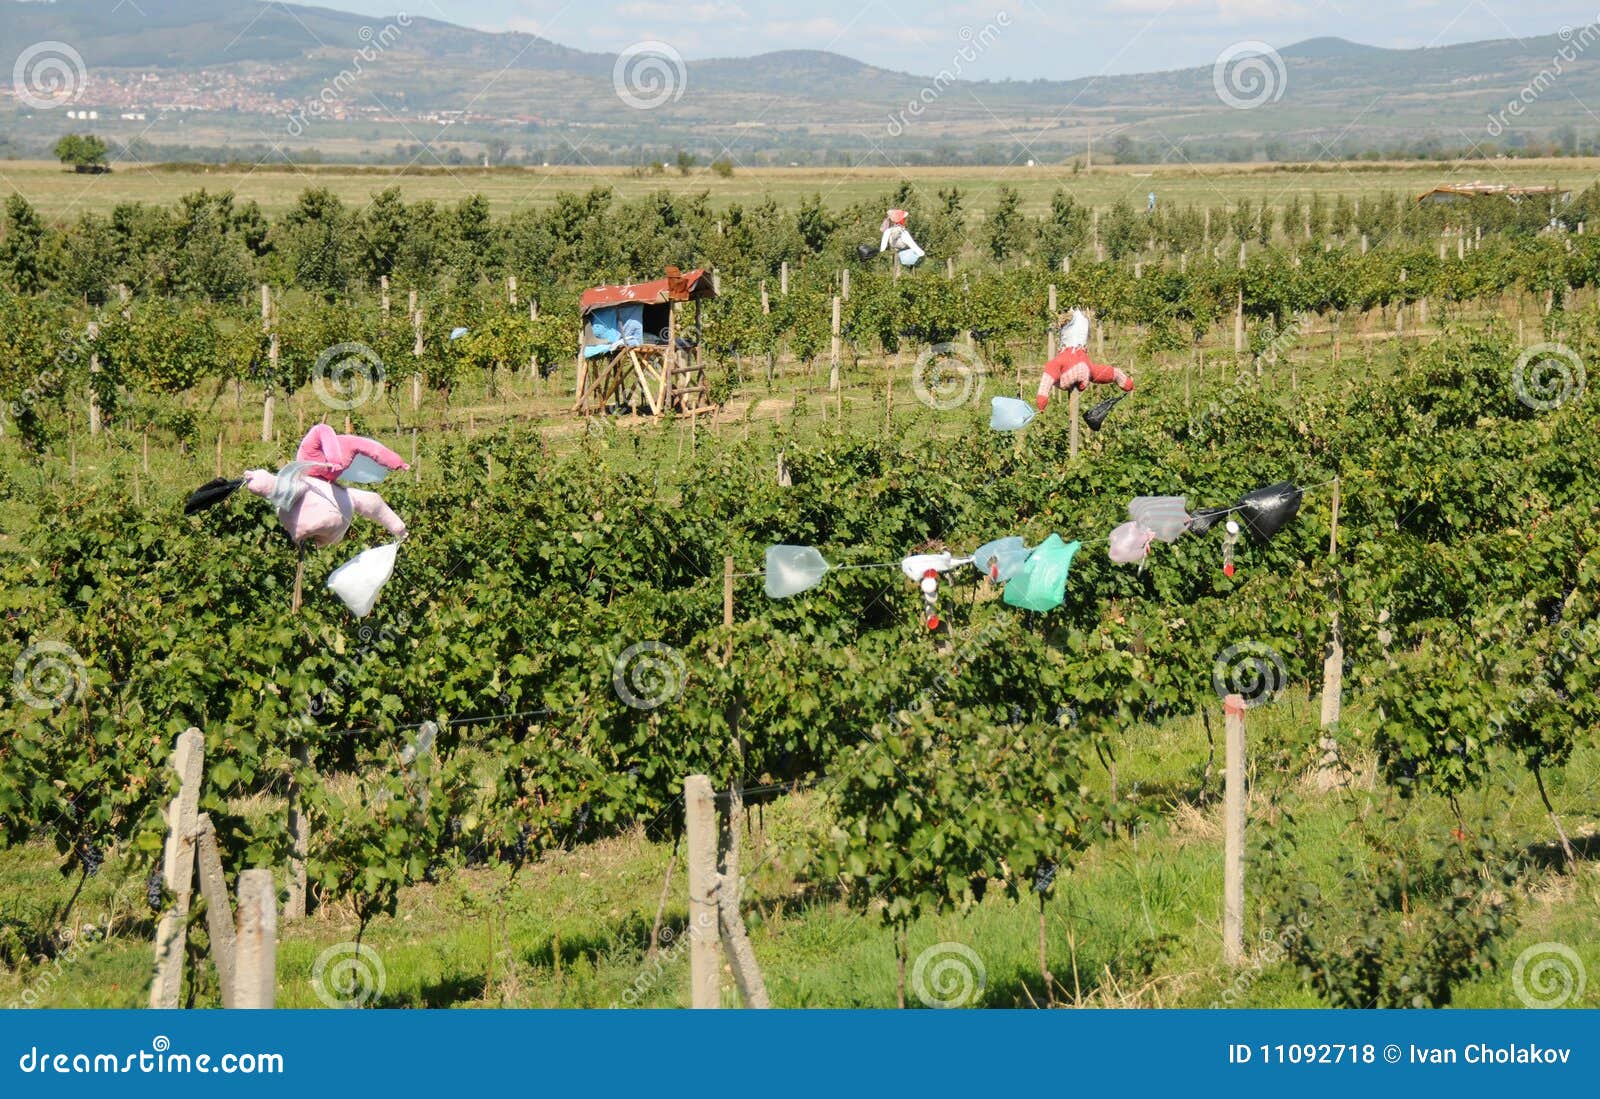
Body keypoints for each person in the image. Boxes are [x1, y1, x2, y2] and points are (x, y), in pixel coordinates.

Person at [1036, 308, 1134, 411]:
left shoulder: (1061, 359)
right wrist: (1126, 382)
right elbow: (1108, 373)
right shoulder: (1085, 362)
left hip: (1069, 376)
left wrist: (1041, 402)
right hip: (1086, 371)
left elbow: (1047, 379)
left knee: (1054, 373)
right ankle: (1124, 381)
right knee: (1100, 371)